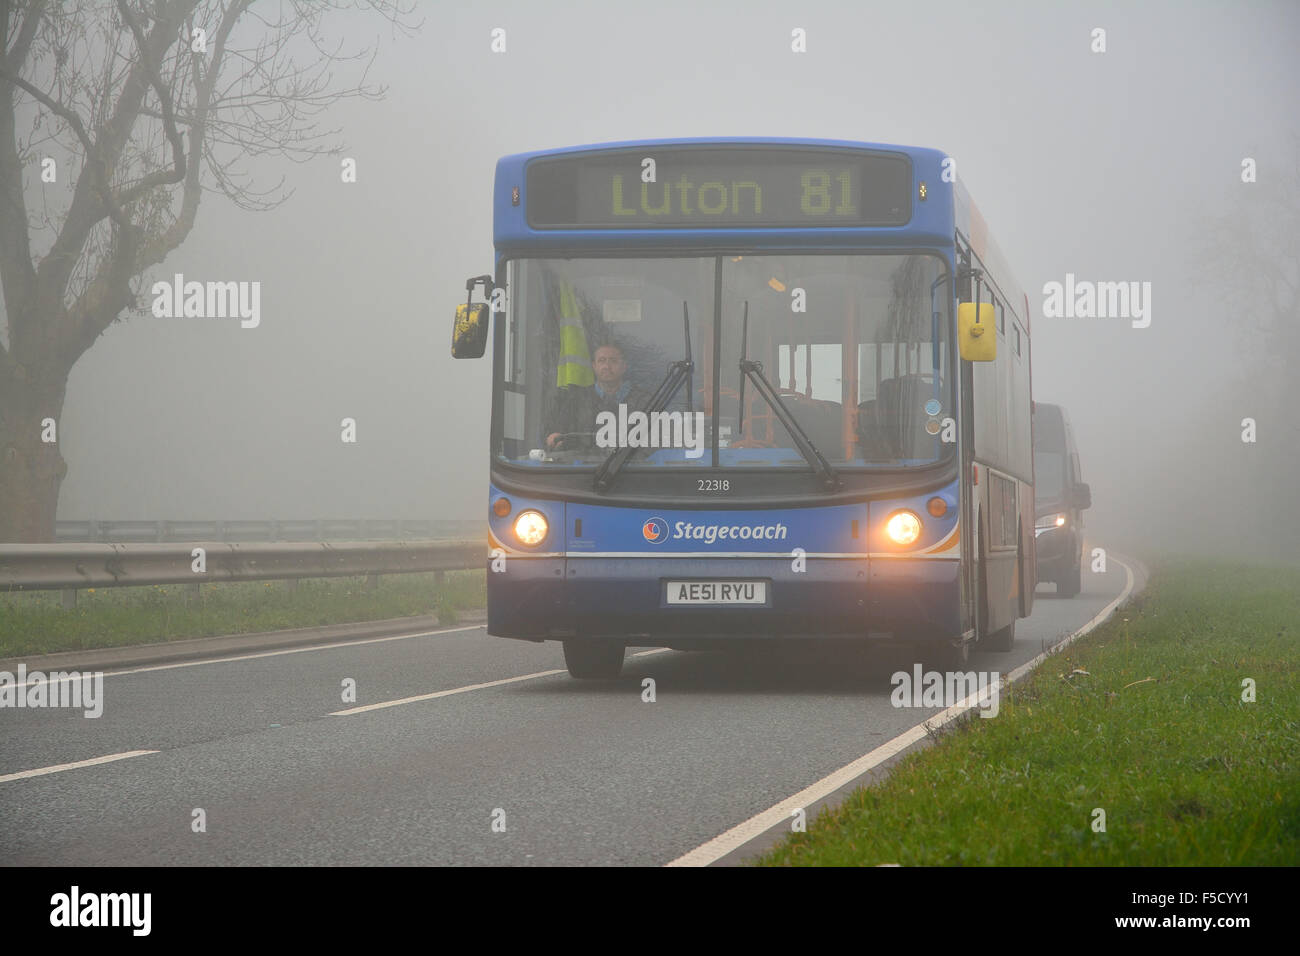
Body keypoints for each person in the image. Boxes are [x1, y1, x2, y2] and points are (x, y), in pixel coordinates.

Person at [546, 342, 649, 450]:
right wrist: (555, 439)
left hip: (631, 465)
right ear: (594, 366)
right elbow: (558, 436)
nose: (607, 366)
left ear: (624, 366)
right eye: (601, 360)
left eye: (613, 361)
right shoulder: (576, 401)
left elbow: (655, 443)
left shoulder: (644, 400)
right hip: (583, 466)